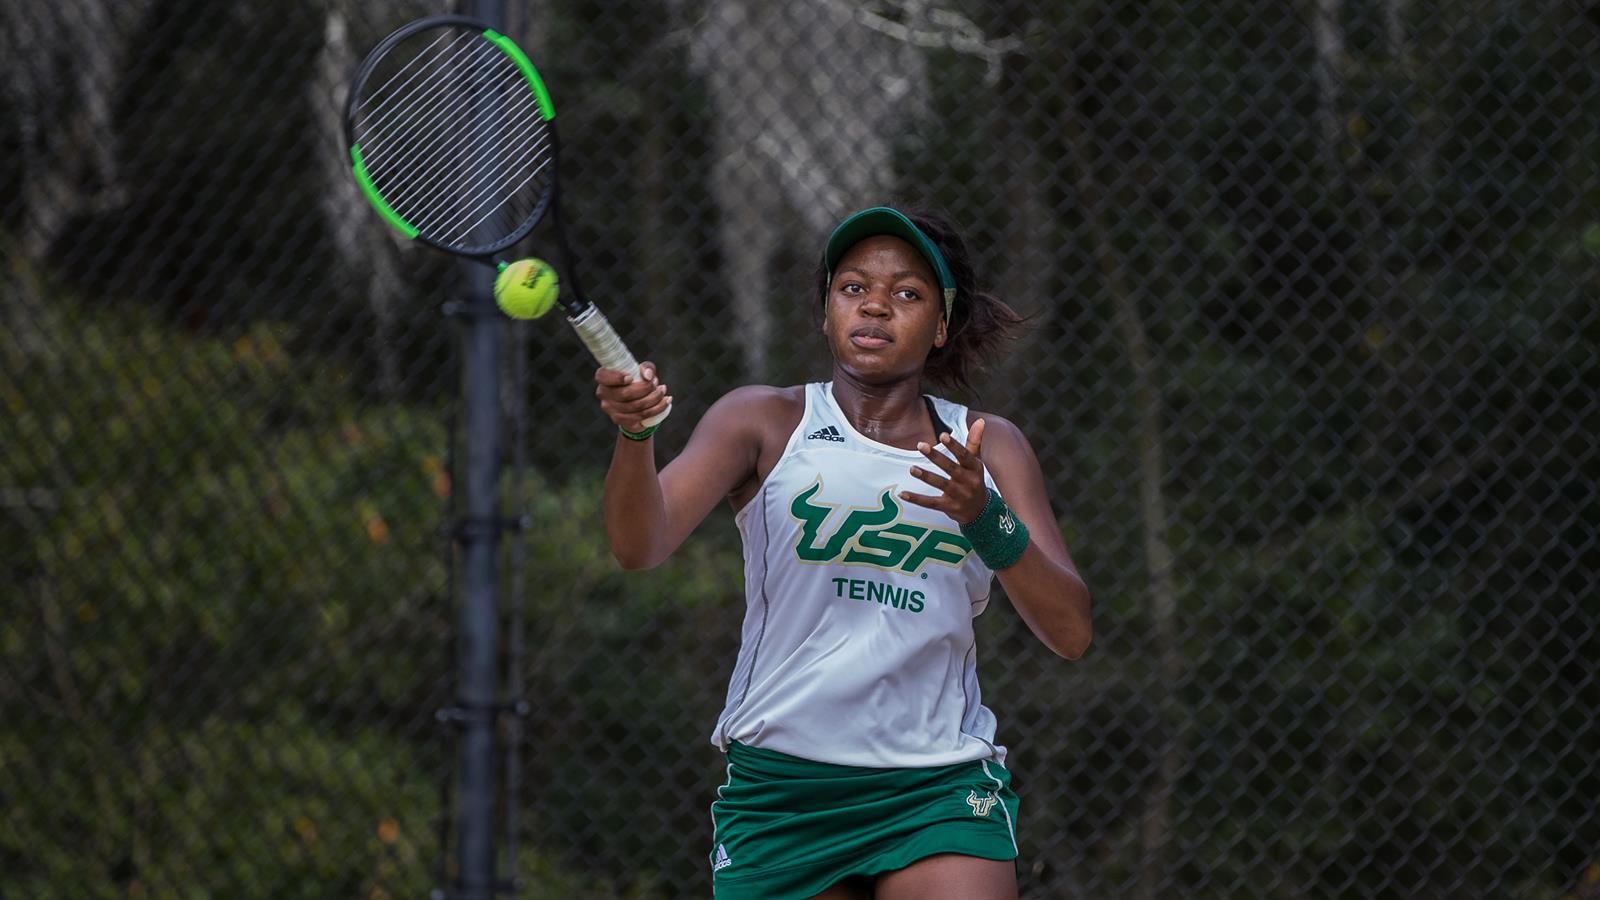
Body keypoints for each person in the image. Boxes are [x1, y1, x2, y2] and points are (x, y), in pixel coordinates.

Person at [593, 205, 1091, 900]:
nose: (877, 306)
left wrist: (985, 516)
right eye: (853, 287)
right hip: (786, 788)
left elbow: (1069, 631)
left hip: (937, 785)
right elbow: (638, 545)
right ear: (826, 310)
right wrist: (636, 436)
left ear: (942, 325)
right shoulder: (762, 421)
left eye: (908, 293)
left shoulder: (987, 445)